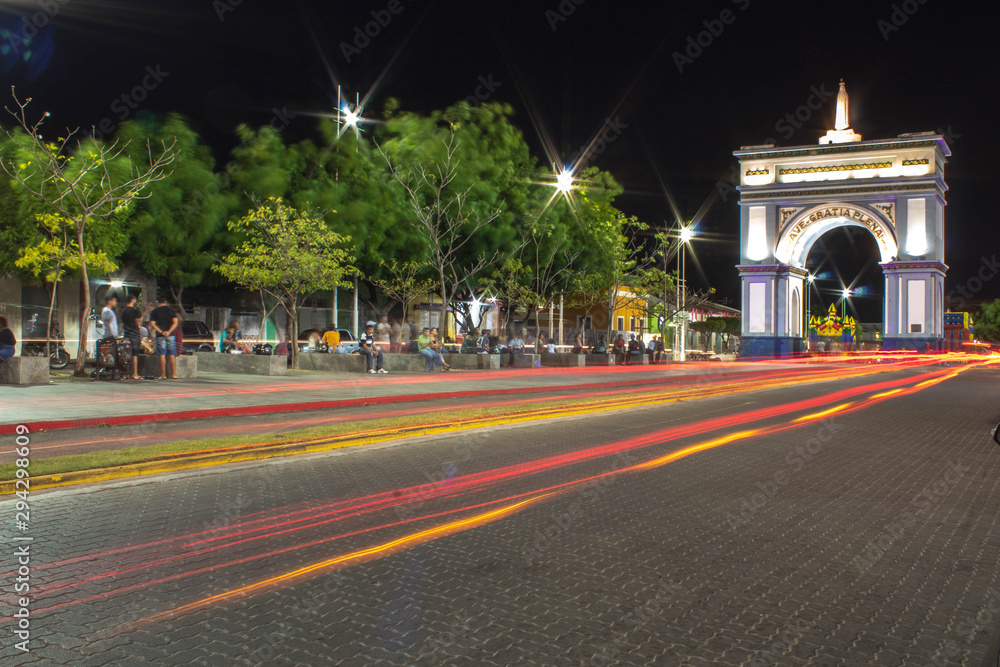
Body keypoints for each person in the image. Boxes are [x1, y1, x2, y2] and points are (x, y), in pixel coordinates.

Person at [150, 296, 179, 379]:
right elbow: (175, 322)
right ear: (165, 302)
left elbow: (152, 324)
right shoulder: (171, 311)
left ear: (157, 302)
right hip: (171, 335)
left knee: (162, 354)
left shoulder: (154, 312)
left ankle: (163, 375)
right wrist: (169, 332)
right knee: (171, 354)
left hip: (160, 336)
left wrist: (162, 332)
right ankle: (174, 374)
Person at [120, 295, 143, 379]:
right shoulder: (135, 311)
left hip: (126, 335)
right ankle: (135, 374)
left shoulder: (123, 311)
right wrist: (138, 326)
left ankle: (124, 374)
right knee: (134, 355)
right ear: (133, 300)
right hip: (135, 335)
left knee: (126, 355)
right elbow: (138, 321)